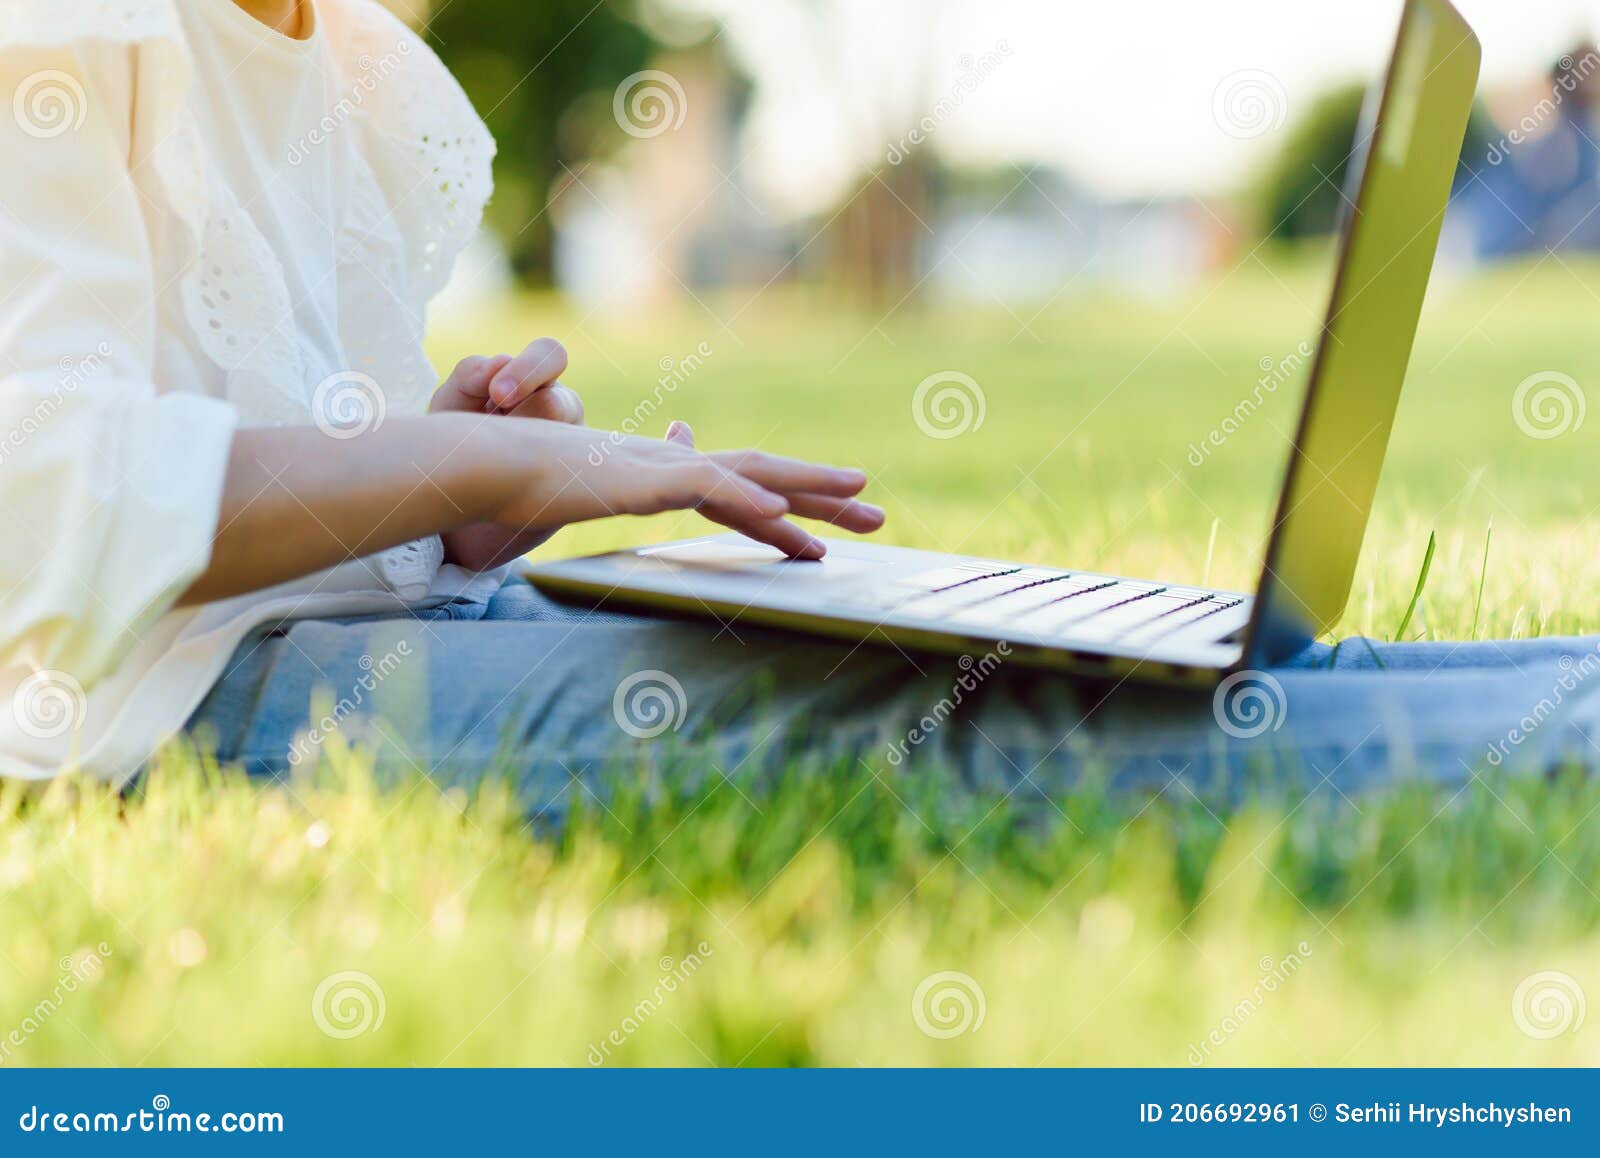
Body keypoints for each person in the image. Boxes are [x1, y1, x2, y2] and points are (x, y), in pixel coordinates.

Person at [2, 0, 1592, 813]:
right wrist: (463, 453)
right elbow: (48, 510)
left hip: (384, 632)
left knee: (1176, 659)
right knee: (948, 717)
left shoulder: (336, 54)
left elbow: (260, 433)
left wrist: (462, 501)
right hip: (180, 704)